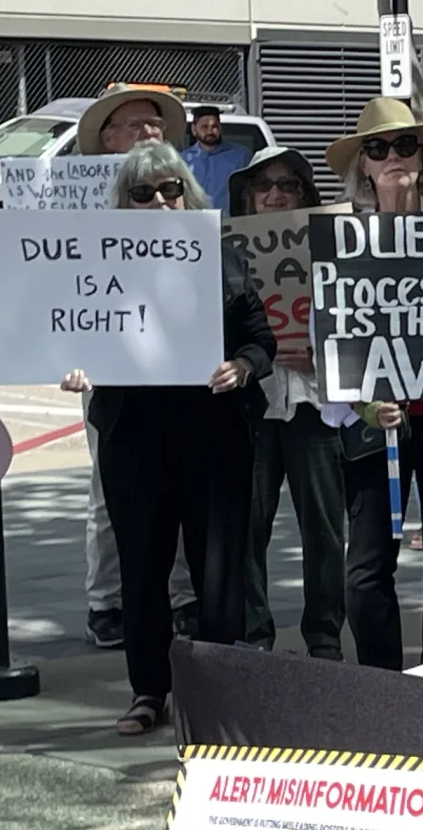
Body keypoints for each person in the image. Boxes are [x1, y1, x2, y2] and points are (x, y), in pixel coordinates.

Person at [65, 141, 271, 734]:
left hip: (214, 433)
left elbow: (260, 338)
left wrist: (244, 367)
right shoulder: (98, 260)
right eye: (143, 192)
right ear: (124, 203)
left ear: (188, 192)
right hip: (134, 436)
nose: (159, 200)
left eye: (170, 188)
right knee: (142, 567)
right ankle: (148, 691)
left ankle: (216, 695)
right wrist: (74, 367)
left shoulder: (221, 254)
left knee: (219, 571)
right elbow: (73, 334)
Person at [328, 95, 423, 668]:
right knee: (368, 566)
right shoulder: (344, 236)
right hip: (378, 424)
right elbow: (335, 331)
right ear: (363, 166)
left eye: (404, 145)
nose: (393, 156)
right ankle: (382, 684)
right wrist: (367, 404)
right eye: (378, 148)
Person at [76, 85, 193, 651]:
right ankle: (108, 601)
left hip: (179, 366)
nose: (149, 131)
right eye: (136, 123)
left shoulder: (183, 200)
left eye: (155, 123)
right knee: (110, 485)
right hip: (112, 366)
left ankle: (181, 597)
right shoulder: (81, 205)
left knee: (182, 482)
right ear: (107, 138)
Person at [230, 146, 350, 661]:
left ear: (305, 194)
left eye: (287, 185)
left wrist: (325, 356)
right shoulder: (225, 255)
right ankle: (253, 634)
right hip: (250, 405)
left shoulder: (332, 250)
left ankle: (324, 637)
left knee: (324, 526)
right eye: (264, 186)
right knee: (245, 526)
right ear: (247, 198)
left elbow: (357, 321)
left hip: (313, 401)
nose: (275, 195)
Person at [180, 100, 248, 206]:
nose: (210, 131)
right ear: (194, 129)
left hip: (229, 217)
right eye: (204, 127)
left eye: (214, 126)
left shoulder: (241, 156)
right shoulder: (183, 160)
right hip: (194, 216)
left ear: (220, 128)